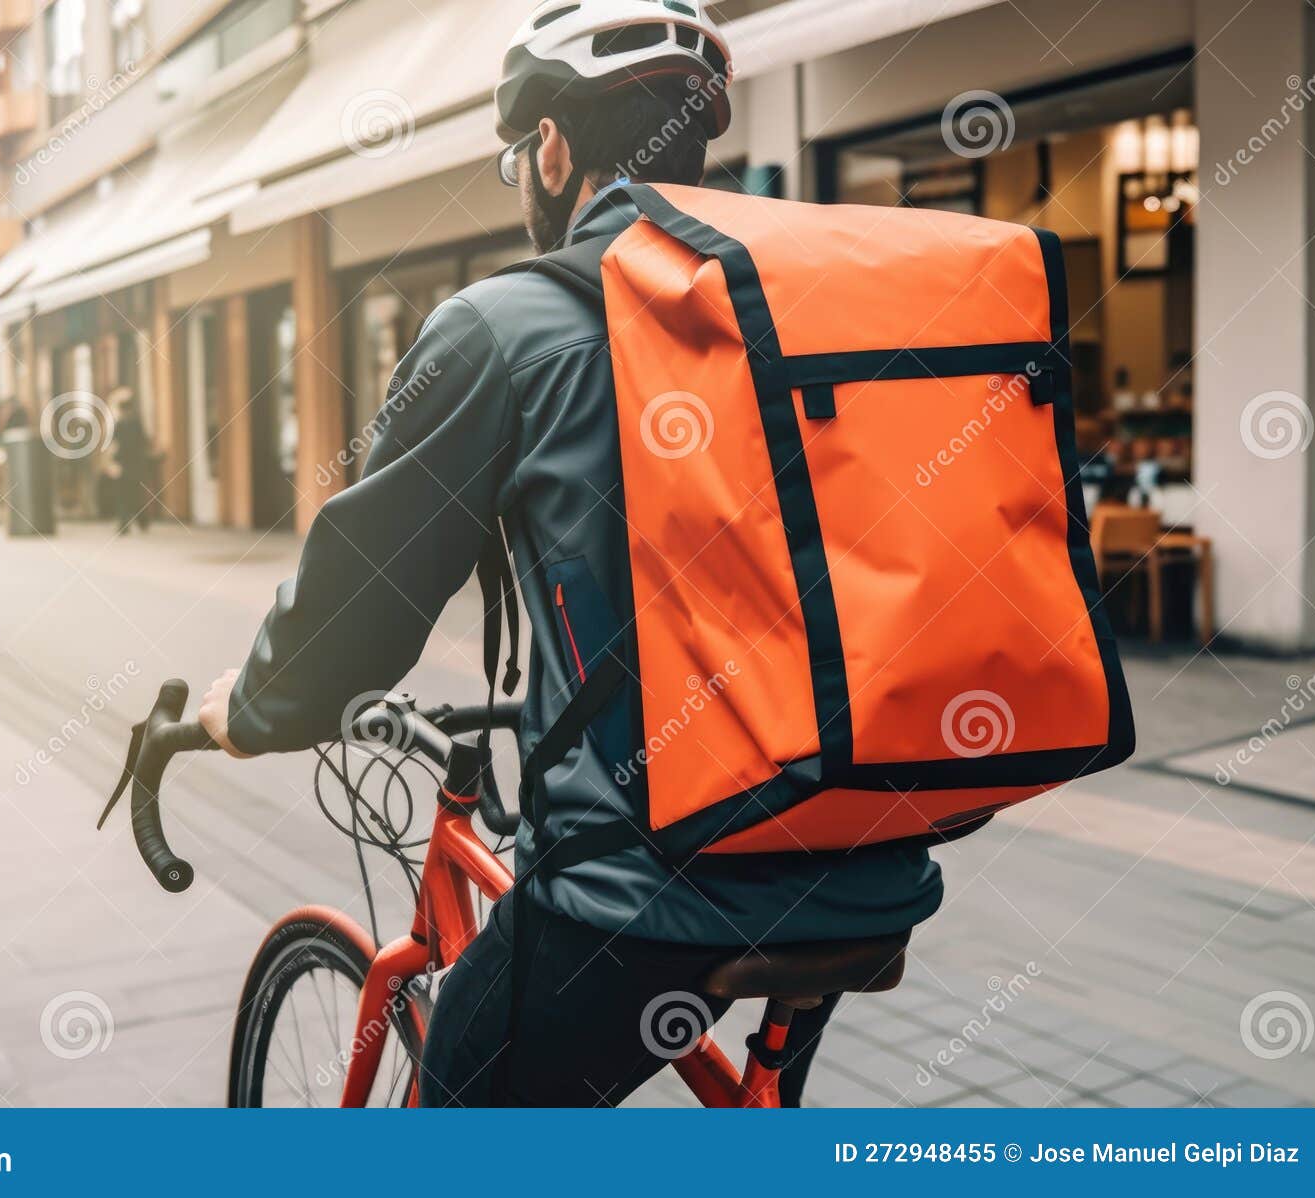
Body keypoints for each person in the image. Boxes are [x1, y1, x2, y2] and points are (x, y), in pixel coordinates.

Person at [198, 0, 943, 1107]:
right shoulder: (803, 304)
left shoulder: (506, 327)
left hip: (645, 891)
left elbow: (363, 602)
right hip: (877, 846)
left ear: (548, 146)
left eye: (517, 158)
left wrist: (249, 709)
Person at [105, 386, 152, 534]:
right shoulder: (136, 424)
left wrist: (110, 462)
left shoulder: (119, 424)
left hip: (123, 464)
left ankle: (126, 524)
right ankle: (138, 521)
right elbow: (144, 442)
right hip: (135, 463)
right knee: (134, 494)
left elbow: (113, 445)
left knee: (124, 495)